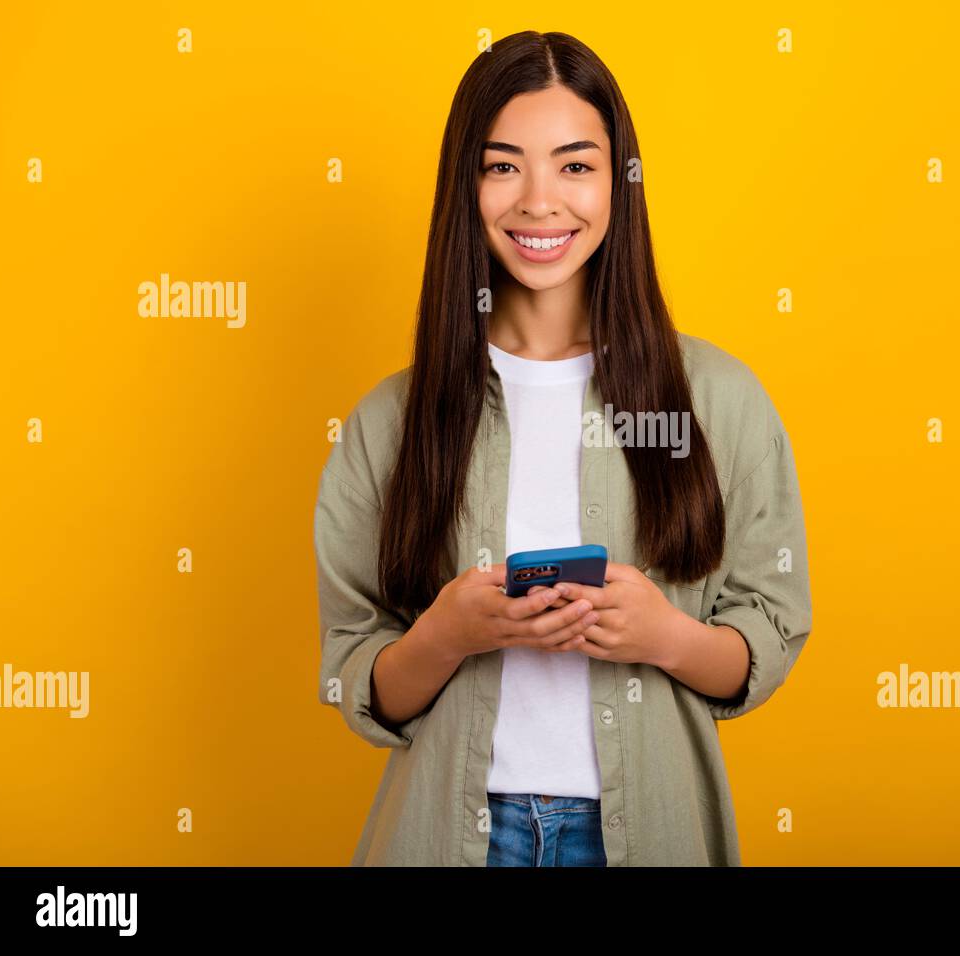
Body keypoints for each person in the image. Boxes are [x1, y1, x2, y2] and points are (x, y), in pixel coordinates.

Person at [314, 30, 813, 866]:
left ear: (620, 184)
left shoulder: (720, 402)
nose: (539, 202)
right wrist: (447, 632)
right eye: (502, 165)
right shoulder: (389, 422)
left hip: (649, 830)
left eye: (575, 165)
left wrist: (662, 636)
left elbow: (764, 641)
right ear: (465, 186)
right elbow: (356, 678)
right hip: (450, 834)